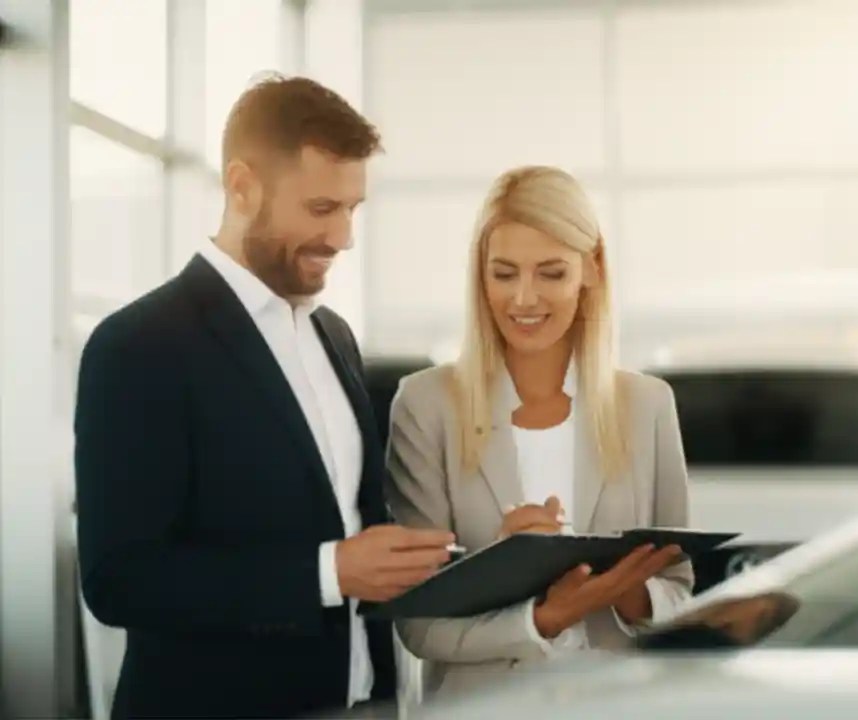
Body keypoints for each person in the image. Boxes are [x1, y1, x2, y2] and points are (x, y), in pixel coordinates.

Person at [73, 75, 455, 719]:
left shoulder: (335, 336)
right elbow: (121, 579)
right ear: (242, 187)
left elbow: (357, 529)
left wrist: (487, 553)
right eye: (319, 209)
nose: (342, 237)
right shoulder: (137, 345)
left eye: (351, 209)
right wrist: (327, 574)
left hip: (361, 703)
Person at [385, 165, 693, 697]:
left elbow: (681, 593)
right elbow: (419, 624)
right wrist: (535, 609)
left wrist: (627, 595)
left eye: (550, 273)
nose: (523, 299)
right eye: (504, 274)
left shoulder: (648, 406)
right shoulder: (426, 406)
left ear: (591, 269)